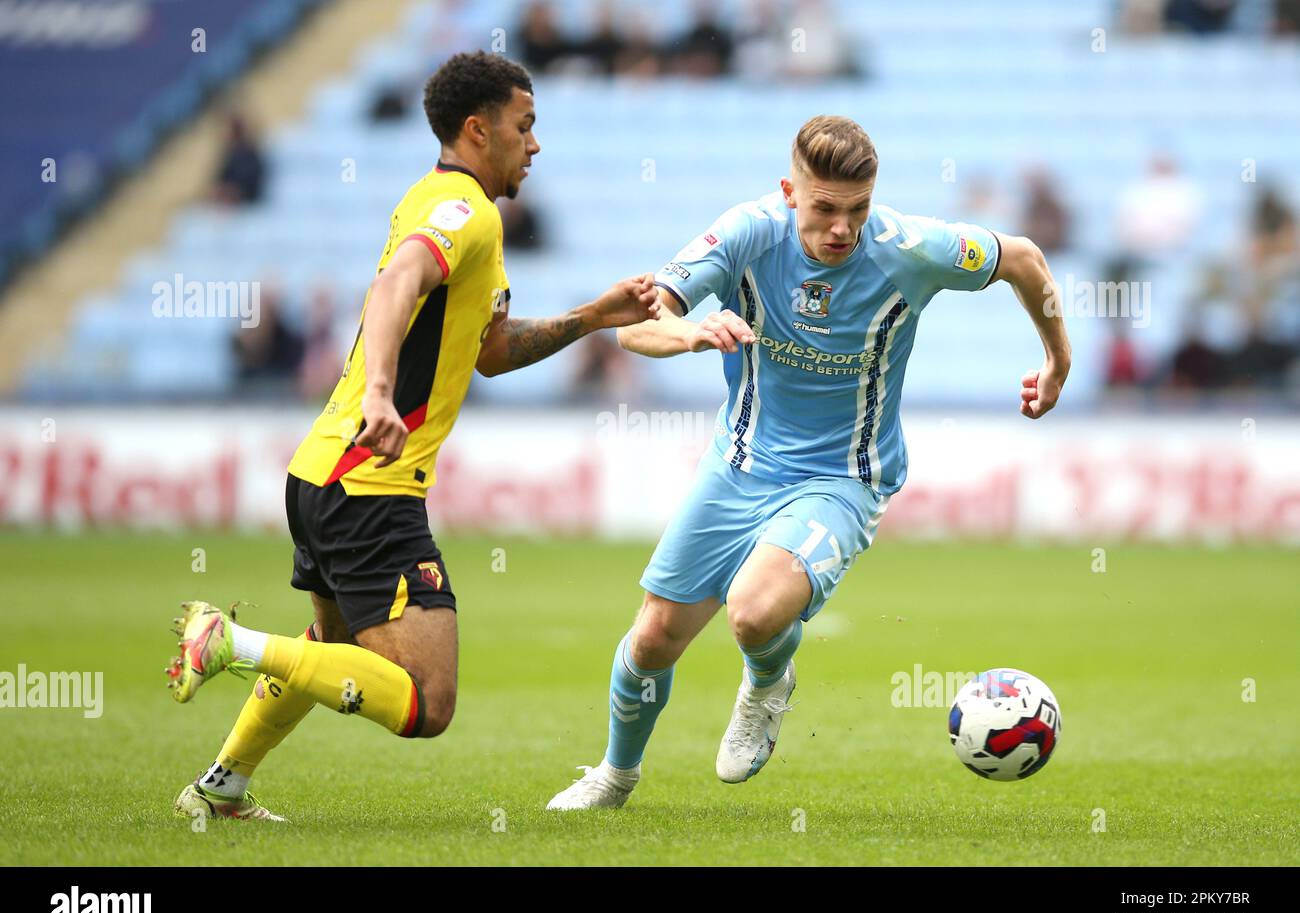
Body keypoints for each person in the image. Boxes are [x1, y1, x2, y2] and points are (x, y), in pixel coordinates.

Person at [164, 52, 659, 821]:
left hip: (321, 473)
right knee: (429, 702)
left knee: (328, 650)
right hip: (371, 482)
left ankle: (221, 786)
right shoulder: (465, 211)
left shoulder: (446, 205)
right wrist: (386, 396)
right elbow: (398, 281)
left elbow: (491, 353)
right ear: (478, 128)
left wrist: (592, 317)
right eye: (524, 127)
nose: (535, 145)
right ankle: (229, 641)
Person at [547, 115, 1070, 810]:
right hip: (740, 464)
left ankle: (768, 681)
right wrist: (693, 332)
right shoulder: (747, 233)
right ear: (790, 191)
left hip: (843, 478)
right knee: (651, 641)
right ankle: (613, 779)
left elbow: (1026, 258)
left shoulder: (909, 249)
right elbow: (639, 321)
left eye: (857, 209)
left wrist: (1058, 360)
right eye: (824, 208)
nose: (841, 228)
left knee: (754, 612)